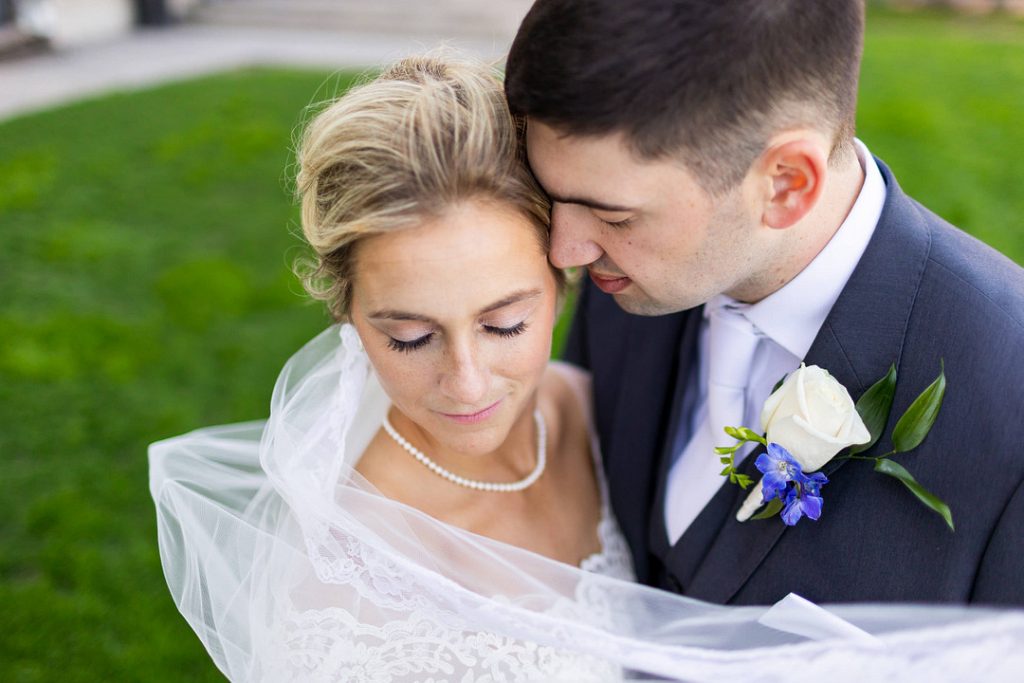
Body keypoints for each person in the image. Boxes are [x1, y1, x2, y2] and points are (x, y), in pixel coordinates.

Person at [149, 52, 1024, 683]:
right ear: (346, 312)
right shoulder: (337, 560)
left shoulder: (585, 405)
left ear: (565, 276)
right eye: (408, 337)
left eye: (505, 322)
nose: (466, 380)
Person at [505, 0, 1024, 607]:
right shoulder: (621, 277)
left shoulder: (1008, 397)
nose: (564, 251)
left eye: (613, 215)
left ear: (785, 184)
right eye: (553, 194)